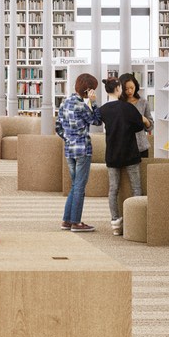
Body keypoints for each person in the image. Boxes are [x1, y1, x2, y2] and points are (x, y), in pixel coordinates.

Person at [99, 74, 150, 235]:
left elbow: (97, 123)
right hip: (130, 152)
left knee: (113, 189)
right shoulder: (128, 108)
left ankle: (115, 222)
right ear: (118, 88)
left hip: (112, 153)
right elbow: (139, 127)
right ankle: (136, 221)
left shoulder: (103, 110)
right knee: (136, 187)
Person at [57, 72, 101, 232]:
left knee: (75, 185)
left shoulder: (64, 103)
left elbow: (58, 127)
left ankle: (66, 221)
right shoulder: (84, 106)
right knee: (79, 187)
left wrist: (69, 139)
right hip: (83, 149)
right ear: (88, 90)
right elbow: (97, 120)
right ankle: (76, 222)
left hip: (69, 150)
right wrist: (93, 103)